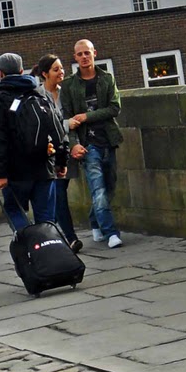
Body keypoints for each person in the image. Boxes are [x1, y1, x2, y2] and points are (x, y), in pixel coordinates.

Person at [0, 52, 63, 232]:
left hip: (16, 171)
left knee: (13, 209)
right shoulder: (40, 92)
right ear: (21, 71)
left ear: (1, 74)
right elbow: (57, 128)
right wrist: (61, 161)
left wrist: (0, 174)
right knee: (46, 220)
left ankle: (30, 248)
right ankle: (48, 252)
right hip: (44, 167)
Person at [62, 38, 124, 248]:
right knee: (97, 189)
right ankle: (111, 233)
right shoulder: (69, 85)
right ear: (75, 57)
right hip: (87, 144)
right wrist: (73, 145)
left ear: (94, 53)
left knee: (109, 186)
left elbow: (115, 108)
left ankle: (95, 223)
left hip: (108, 140)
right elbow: (68, 119)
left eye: (87, 53)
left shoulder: (106, 78)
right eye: (79, 54)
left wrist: (88, 117)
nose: (84, 57)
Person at [32, 54, 81, 252]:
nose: (61, 72)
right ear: (45, 74)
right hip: (49, 152)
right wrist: (66, 124)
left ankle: (50, 237)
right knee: (58, 194)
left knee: (57, 195)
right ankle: (70, 238)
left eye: (61, 68)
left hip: (68, 149)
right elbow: (41, 125)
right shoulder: (37, 95)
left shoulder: (66, 92)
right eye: (56, 69)